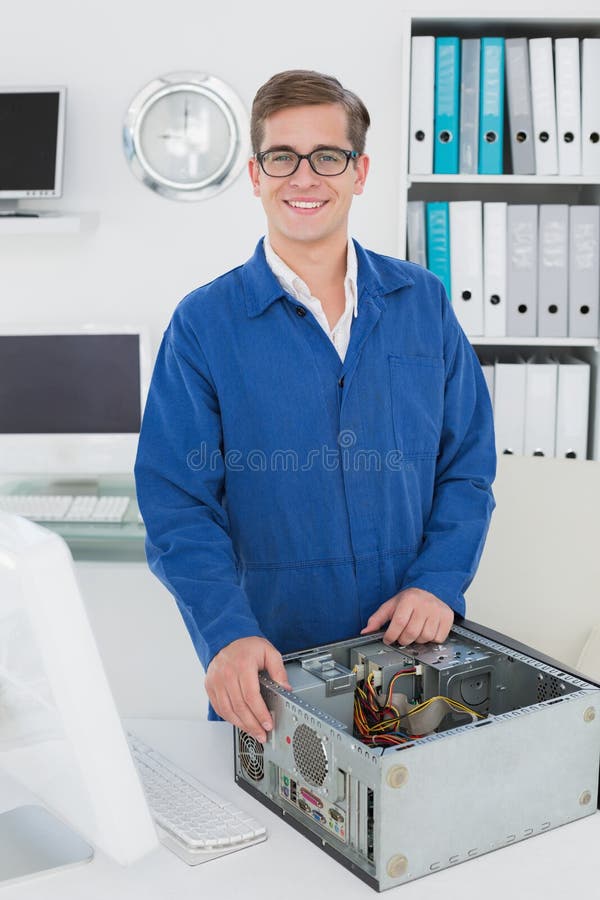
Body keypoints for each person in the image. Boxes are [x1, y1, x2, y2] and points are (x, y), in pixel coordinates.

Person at [135, 69, 496, 746]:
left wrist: (438, 583)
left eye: (327, 156)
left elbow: (467, 464)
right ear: (255, 174)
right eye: (283, 157)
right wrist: (226, 632)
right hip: (270, 673)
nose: (305, 178)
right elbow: (177, 500)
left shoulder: (423, 303)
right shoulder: (206, 324)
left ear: (359, 172)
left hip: (416, 659)